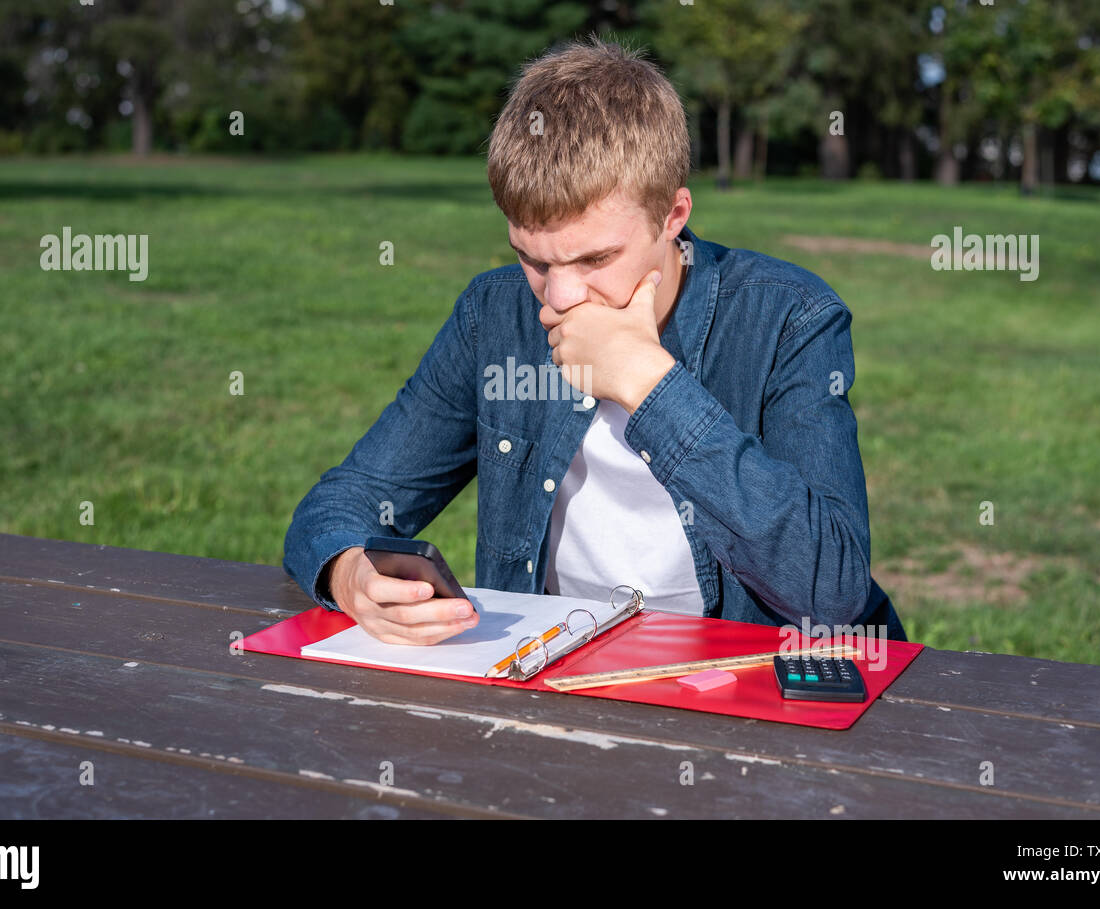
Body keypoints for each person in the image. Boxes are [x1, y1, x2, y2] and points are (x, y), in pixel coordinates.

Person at [284, 35, 907, 647]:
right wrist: (349, 573)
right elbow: (348, 499)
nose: (558, 298)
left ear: (673, 215)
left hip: (740, 691)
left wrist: (649, 385)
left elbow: (833, 590)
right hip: (560, 676)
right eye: (532, 259)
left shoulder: (790, 317)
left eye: (595, 258)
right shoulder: (494, 313)